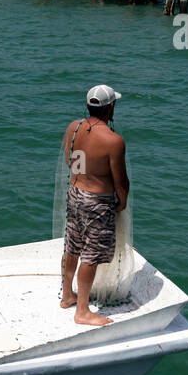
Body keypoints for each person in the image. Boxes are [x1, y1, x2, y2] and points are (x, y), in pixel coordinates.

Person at [59, 86, 129, 326]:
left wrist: (87, 178)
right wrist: (122, 203)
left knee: (73, 246)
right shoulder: (113, 140)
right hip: (97, 203)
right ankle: (82, 311)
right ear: (110, 107)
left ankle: (67, 295)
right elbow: (121, 181)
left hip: (75, 193)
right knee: (90, 254)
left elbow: (72, 161)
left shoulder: (74, 127)